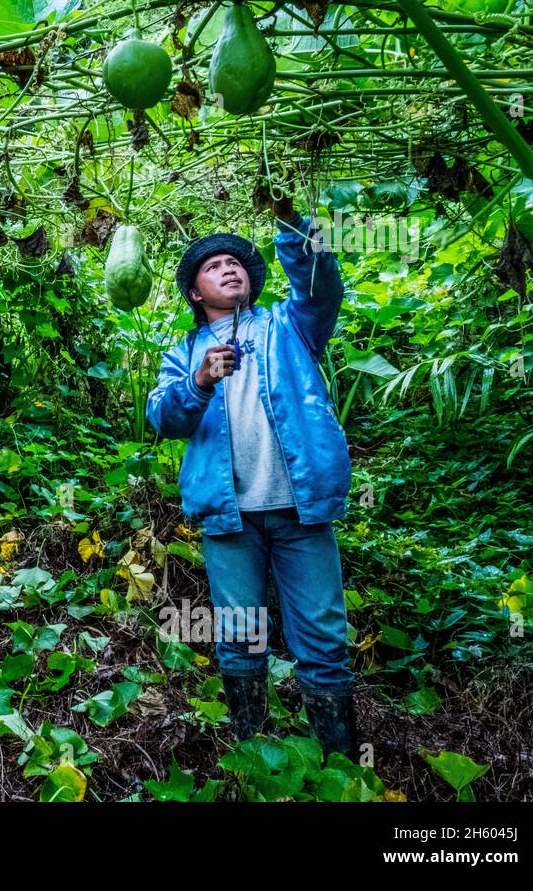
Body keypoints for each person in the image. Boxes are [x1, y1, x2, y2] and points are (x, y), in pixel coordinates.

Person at [145, 192, 359, 760]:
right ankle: (255, 760)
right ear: (197, 293)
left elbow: (320, 286)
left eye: (235, 263)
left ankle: (339, 767)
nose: (228, 268)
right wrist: (199, 381)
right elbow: (163, 417)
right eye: (214, 267)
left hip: (301, 511)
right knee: (240, 640)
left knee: (323, 641)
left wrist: (292, 221)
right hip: (228, 517)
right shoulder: (183, 352)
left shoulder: (290, 327)